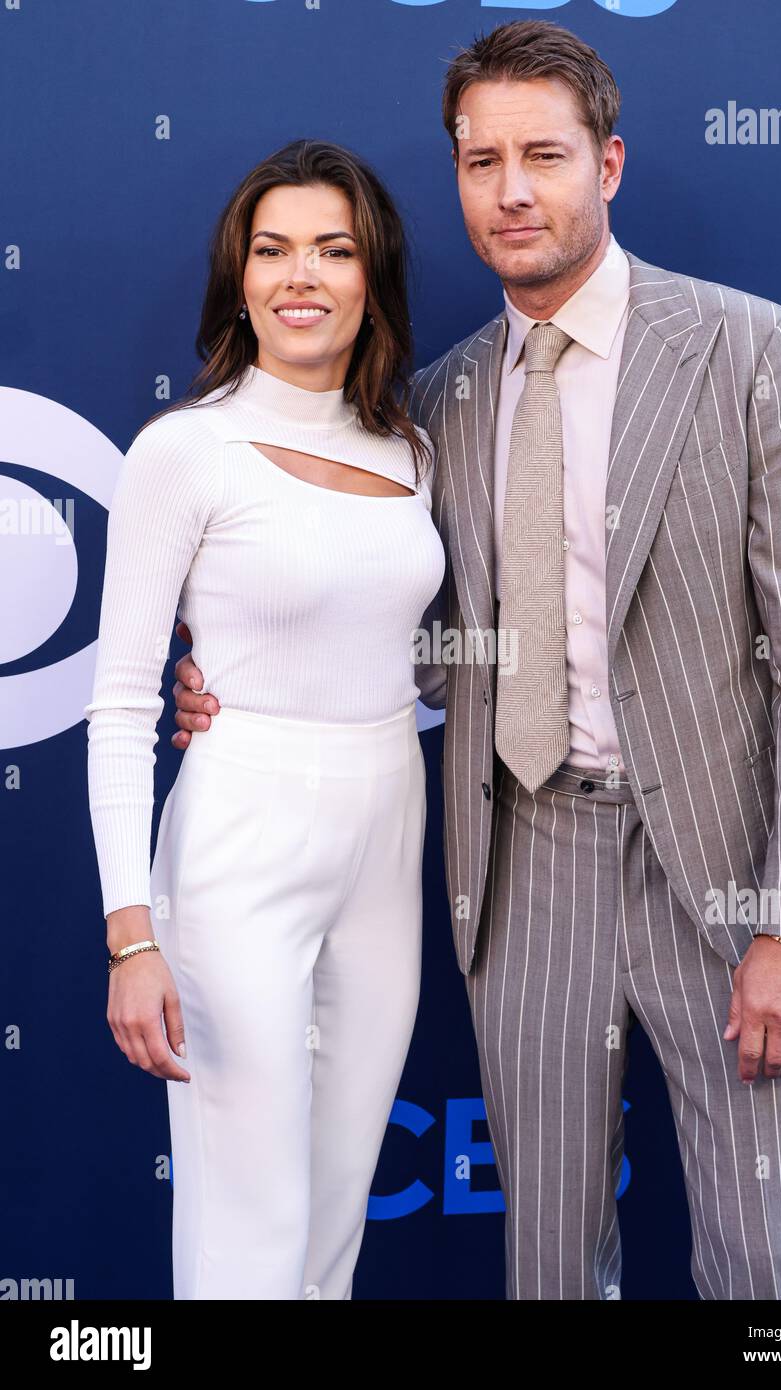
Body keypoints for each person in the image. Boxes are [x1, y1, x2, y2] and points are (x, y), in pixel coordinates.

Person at [172, 20, 781, 1300]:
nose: (510, 190)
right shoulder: (437, 400)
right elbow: (428, 643)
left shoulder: (753, 354)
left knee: (760, 1262)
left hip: (722, 884)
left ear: (607, 165)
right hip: (525, 868)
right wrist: (238, 679)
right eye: (480, 159)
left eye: (542, 156)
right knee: (547, 1266)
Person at [83, 139, 445, 1300]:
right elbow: (124, 697)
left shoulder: (412, 449)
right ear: (238, 280)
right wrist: (131, 934)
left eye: (333, 250)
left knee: (336, 1212)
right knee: (250, 1218)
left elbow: (411, 653)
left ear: (370, 275)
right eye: (272, 249)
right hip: (240, 836)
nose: (302, 276)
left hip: (389, 831)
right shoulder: (186, 449)